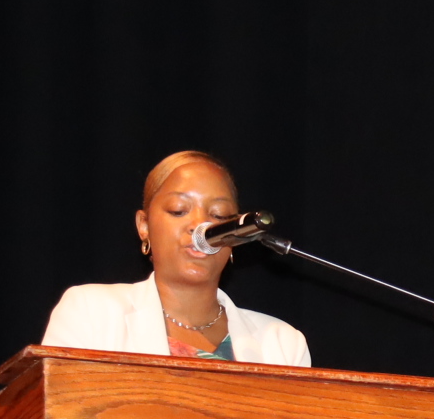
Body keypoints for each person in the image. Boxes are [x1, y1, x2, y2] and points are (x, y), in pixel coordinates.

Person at [40, 150, 312, 364]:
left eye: (218, 216)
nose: (201, 226)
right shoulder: (91, 312)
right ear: (144, 226)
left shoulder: (282, 343)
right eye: (179, 210)